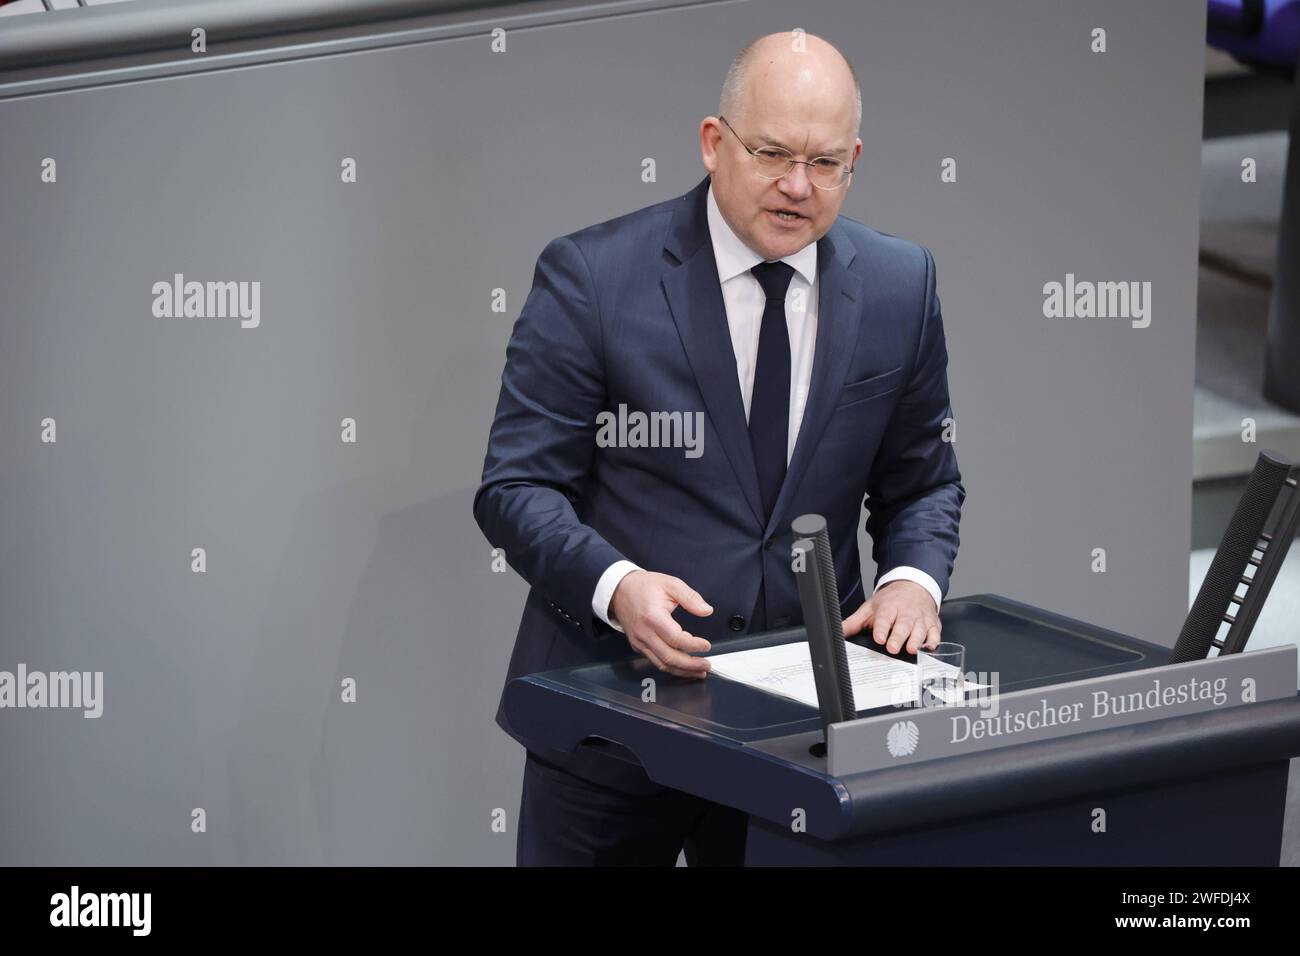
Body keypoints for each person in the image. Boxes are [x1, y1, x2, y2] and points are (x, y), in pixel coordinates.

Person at [473, 30, 964, 865]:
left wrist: (912, 583)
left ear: (855, 160)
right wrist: (616, 585)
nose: (796, 187)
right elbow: (515, 487)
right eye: (772, 153)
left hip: (800, 740)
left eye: (826, 163)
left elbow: (923, 484)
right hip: (613, 723)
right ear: (713, 143)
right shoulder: (593, 279)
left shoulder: (898, 285)